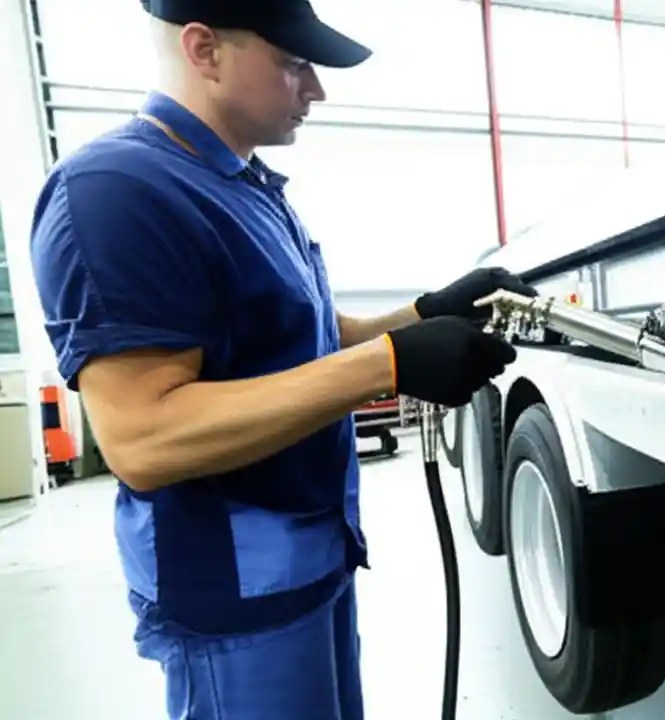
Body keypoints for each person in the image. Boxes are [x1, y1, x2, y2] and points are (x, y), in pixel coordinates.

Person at [27, 1, 534, 717]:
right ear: (204, 50)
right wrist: (389, 365)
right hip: (235, 595)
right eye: (295, 66)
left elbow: (311, 339)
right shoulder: (118, 192)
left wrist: (426, 314)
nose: (316, 90)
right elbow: (144, 434)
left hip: (309, 559)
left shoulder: (243, 186)